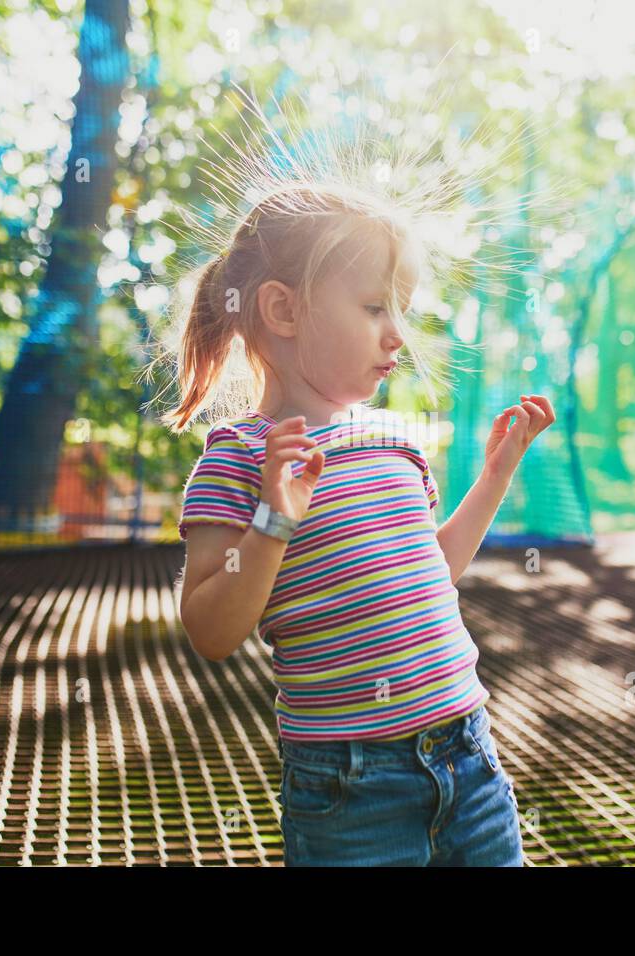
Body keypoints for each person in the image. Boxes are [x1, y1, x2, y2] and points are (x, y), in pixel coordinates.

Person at [167, 180, 554, 865]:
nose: (397, 332)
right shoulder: (239, 461)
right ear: (283, 310)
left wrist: (495, 477)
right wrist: (271, 525)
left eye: (400, 308)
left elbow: (429, 574)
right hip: (349, 788)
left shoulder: (394, 440)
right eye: (375, 306)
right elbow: (211, 629)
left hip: (468, 752)